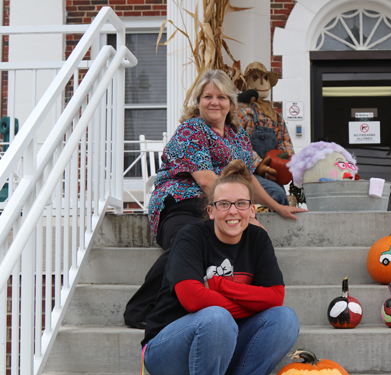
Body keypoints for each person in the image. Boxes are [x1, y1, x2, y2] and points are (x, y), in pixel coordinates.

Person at [123, 69, 306, 328]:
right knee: (186, 240)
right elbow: (207, 181)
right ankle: (140, 309)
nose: (214, 102)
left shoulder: (237, 135)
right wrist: (246, 216)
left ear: (230, 102)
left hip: (218, 206)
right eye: (207, 96)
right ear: (198, 102)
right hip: (180, 202)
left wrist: (278, 206)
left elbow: (247, 178)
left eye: (221, 97)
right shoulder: (190, 130)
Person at [142, 159, 299, 375]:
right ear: (212, 210)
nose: (233, 212)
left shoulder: (257, 239)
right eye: (224, 204)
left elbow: (275, 298)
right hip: (168, 352)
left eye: (241, 204)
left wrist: (219, 287)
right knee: (217, 318)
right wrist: (247, 303)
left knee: (285, 319)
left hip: (222, 349)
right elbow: (193, 299)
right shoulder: (191, 237)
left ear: (251, 210)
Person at [236, 62, 294, 206]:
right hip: (246, 172)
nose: (262, 82)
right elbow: (238, 143)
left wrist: (290, 165)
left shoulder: (276, 118)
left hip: (270, 175)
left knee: (281, 194)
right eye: (256, 77)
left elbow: (284, 144)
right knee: (278, 196)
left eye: (266, 78)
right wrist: (258, 164)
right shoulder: (244, 112)